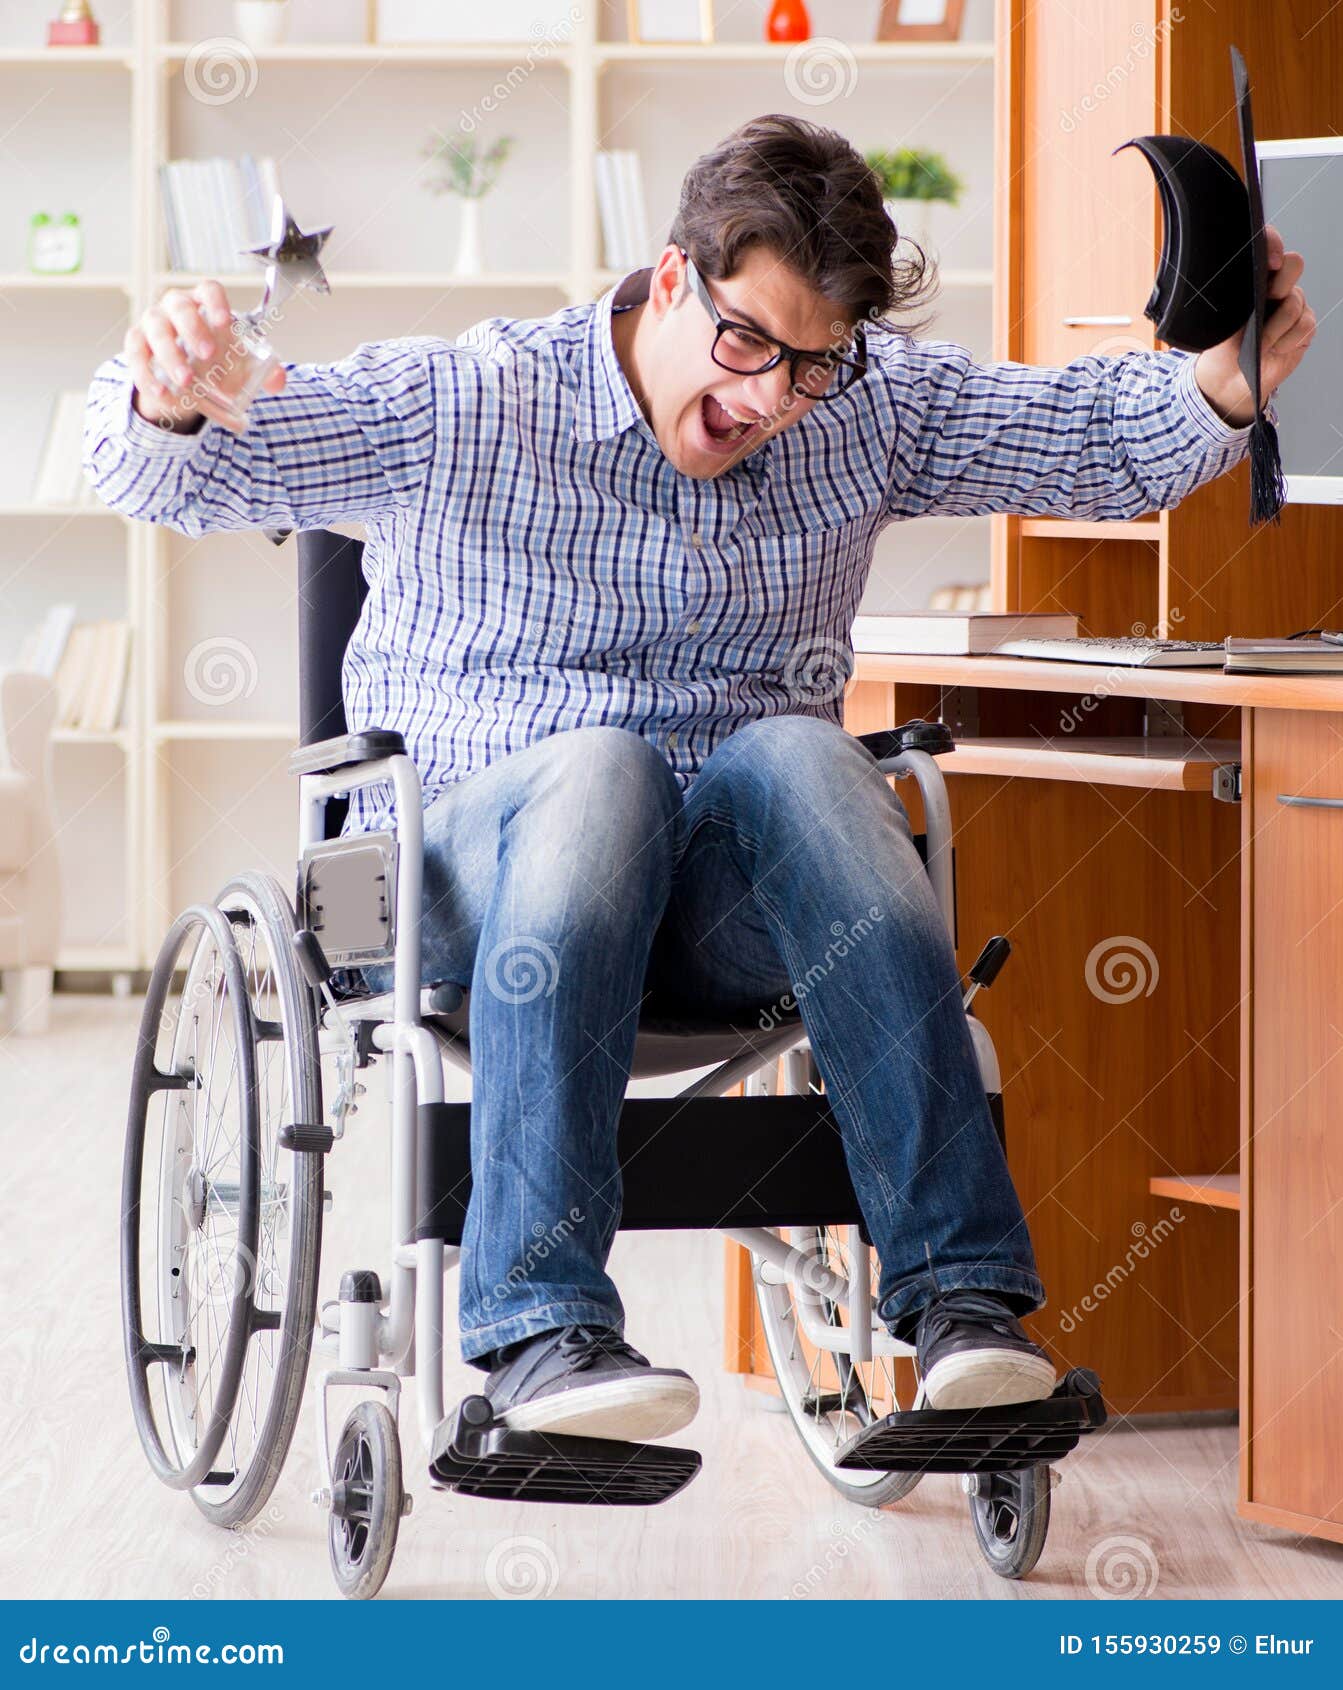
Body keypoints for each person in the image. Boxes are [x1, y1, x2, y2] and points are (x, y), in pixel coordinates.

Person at [85, 115, 1314, 1445]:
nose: (775, 398)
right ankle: (539, 1328)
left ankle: (964, 1303)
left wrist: (1222, 385)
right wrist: (168, 391)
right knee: (600, 768)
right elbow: (178, 470)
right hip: (463, 890)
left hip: (710, 916)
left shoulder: (865, 410)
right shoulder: (472, 397)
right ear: (675, 277)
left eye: (816, 364)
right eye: (749, 344)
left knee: (805, 752)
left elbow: (1084, 434)